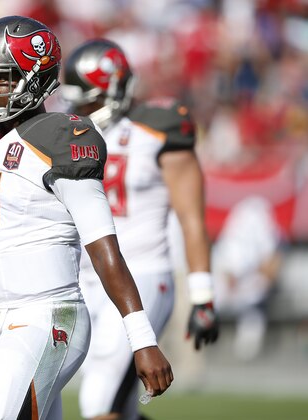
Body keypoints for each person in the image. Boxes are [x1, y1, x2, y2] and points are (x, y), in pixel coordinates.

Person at [0, 16, 173, 420]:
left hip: (45, 316)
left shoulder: (60, 140)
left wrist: (142, 339)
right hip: (0, 319)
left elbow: (104, 248)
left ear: (34, 80)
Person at [60, 39, 219, 420]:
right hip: (86, 278)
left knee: (99, 400)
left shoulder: (159, 130)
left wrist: (203, 295)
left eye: (90, 101)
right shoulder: (67, 132)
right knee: (121, 407)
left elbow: (192, 217)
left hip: (144, 273)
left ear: (115, 90)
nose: (81, 110)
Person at [212, 195, 283, 361]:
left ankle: (247, 348)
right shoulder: (233, 237)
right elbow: (225, 269)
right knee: (207, 301)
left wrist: (254, 279)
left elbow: (270, 269)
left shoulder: (270, 235)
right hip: (227, 285)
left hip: (250, 286)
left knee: (254, 305)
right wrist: (232, 279)